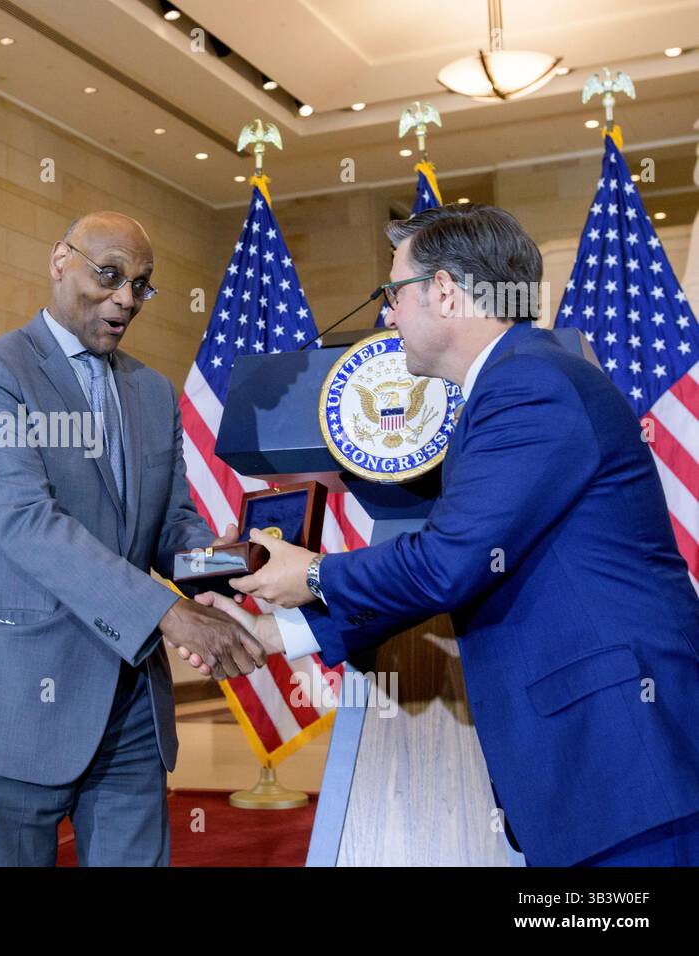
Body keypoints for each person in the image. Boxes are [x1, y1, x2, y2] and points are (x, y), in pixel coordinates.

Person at [200, 203, 699, 867]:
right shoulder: (513, 385)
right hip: (602, 771)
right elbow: (466, 565)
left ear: (444, 291)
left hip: (624, 763)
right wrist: (277, 634)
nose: (386, 315)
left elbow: (447, 565)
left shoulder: (530, 385)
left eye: (392, 292)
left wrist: (313, 572)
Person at [0, 211, 267, 867]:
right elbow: (28, 523)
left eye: (141, 285)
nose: (126, 300)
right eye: (108, 276)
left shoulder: (154, 393)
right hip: (16, 700)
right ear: (60, 260)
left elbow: (169, 530)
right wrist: (169, 613)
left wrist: (242, 562)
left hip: (131, 707)